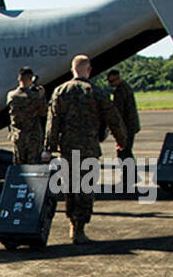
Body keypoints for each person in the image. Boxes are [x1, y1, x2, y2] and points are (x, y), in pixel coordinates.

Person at [43, 55, 127, 245]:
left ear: (72, 70)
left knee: (70, 187)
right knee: (85, 187)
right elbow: (113, 118)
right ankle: (79, 228)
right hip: (88, 148)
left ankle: (73, 224)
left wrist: (49, 147)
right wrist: (122, 140)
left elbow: (52, 122)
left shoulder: (60, 91)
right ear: (89, 70)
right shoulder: (96, 91)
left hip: (68, 149)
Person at [6, 67, 47, 165]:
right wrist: (41, 96)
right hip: (33, 137)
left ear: (19, 79)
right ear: (30, 79)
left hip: (18, 136)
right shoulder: (35, 96)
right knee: (33, 168)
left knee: (19, 168)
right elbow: (43, 112)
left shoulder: (11, 95)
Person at [106, 69, 141, 161]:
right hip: (130, 125)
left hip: (126, 126)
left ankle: (129, 174)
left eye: (112, 81)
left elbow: (118, 112)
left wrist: (115, 127)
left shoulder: (120, 91)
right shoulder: (126, 87)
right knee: (126, 151)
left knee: (124, 152)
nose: (110, 84)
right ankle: (130, 173)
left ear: (118, 78)